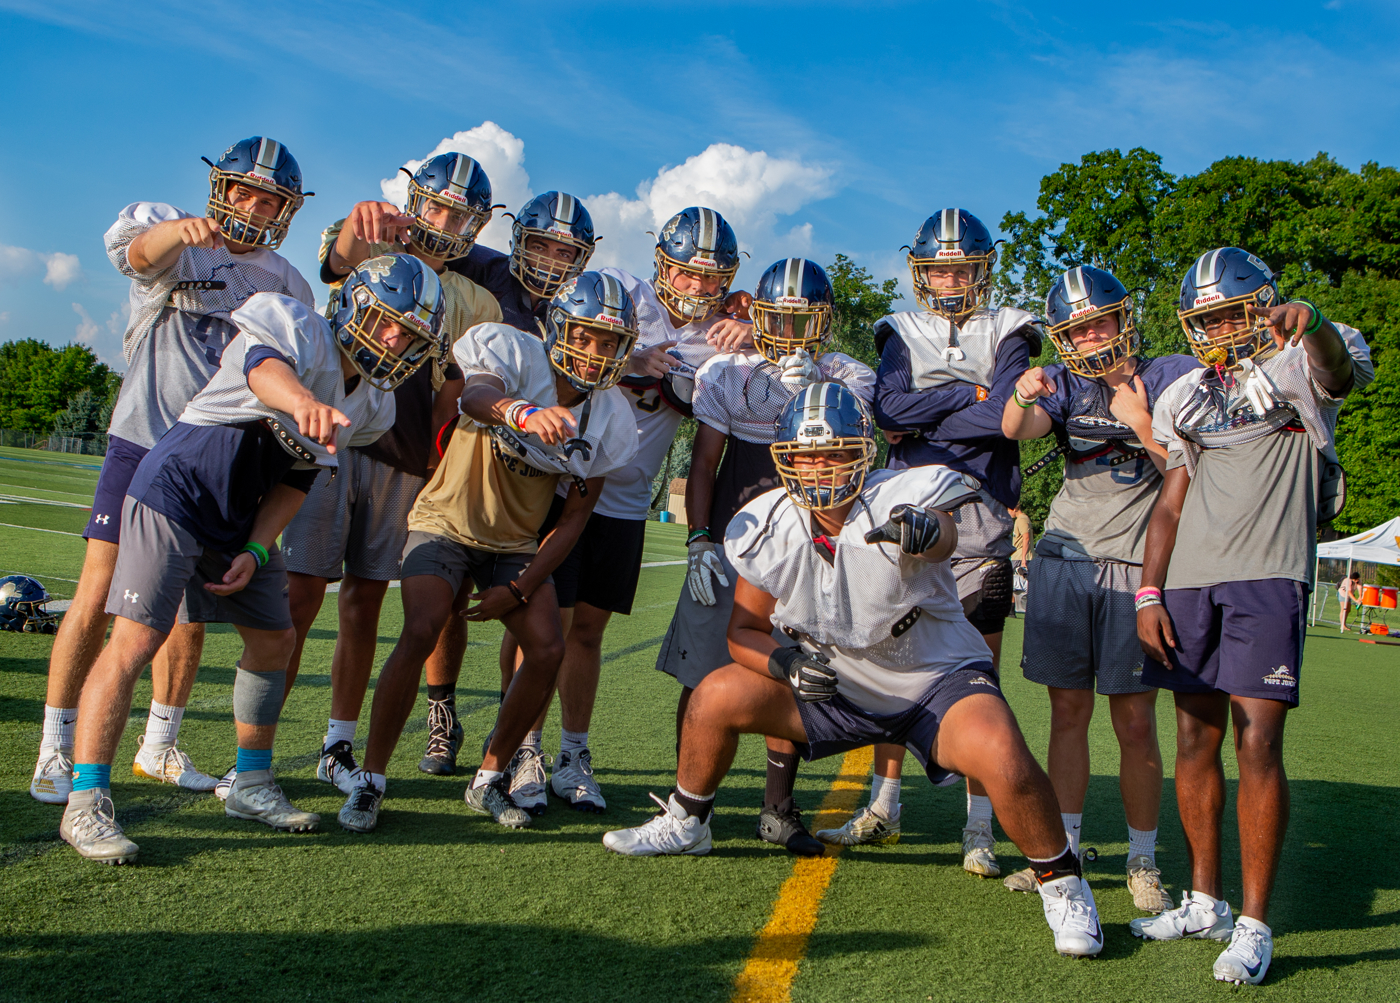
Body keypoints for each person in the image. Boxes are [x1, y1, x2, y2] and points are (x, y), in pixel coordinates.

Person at [605, 383, 1104, 959]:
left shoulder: (903, 495)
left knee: (1002, 754)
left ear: (864, 452)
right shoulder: (766, 524)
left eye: (836, 452)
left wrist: (926, 531)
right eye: (805, 455)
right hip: (837, 683)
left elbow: (940, 535)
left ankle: (1063, 881)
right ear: (782, 459)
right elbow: (742, 633)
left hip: (932, 676)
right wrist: (784, 661)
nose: (819, 467)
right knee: (715, 694)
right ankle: (688, 820)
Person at [59, 253, 440, 863]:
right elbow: (264, 370)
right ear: (352, 305)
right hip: (180, 488)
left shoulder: (375, 404)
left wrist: (259, 547)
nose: (394, 337)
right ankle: (86, 801)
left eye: (410, 333)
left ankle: (252, 783)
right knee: (134, 641)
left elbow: (298, 477)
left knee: (273, 640)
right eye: (386, 319)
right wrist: (301, 402)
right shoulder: (295, 323)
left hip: (245, 515)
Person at [31, 137, 314, 805]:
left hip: (210, 458)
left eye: (266, 197)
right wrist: (171, 233)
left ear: (284, 209)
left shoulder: (287, 282)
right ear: (219, 187)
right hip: (143, 437)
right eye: (241, 190)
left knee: (188, 612)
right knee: (100, 588)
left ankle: (160, 740)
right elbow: (133, 254)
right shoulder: (179, 239)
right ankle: (55, 745)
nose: (251, 204)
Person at [1132, 247, 1371, 985]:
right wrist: (1149, 591)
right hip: (1190, 581)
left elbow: (1339, 368)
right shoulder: (1184, 395)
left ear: (1264, 304)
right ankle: (1205, 898)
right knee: (1194, 737)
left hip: (1269, 574)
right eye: (1206, 318)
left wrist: (1316, 322)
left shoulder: (1303, 356)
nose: (1222, 328)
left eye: (1233, 311)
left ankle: (1256, 921)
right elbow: (1171, 498)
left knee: (1258, 740)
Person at [335, 271, 641, 834]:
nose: (596, 353)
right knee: (422, 627)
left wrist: (521, 587)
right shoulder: (514, 352)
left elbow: (574, 518)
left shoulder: (611, 417)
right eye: (586, 335)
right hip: (446, 522)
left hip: (516, 543)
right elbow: (475, 397)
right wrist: (520, 412)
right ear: (557, 329)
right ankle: (371, 780)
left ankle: (491, 775)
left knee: (547, 648)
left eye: (610, 342)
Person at [494, 207, 755, 815]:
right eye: (686, 274)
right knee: (540, 625)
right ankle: (519, 747)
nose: (697, 289)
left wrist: (751, 324)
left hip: (626, 500)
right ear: (661, 263)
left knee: (587, 630)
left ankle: (572, 754)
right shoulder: (621, 292)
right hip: (559, 482)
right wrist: (629, 358)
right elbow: (557, 342)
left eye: (712, 279)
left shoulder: (722, 328)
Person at [274, 152, 503, 797]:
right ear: (414, 198)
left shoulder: (479, 299)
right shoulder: (376, 248)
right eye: (435, 204)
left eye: (460, 213)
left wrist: (438, 461)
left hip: (407, 461)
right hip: (337, 442)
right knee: (298, 596)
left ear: (477, 224)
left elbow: (463, 388)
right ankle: (255, 748)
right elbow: (337, 260)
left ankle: (337, 743)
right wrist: (357, 227)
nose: (443, 220)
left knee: (364, 604)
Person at [834, 209, 1041, 876]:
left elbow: (1006, 418)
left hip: (980, 508)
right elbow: (889, 410)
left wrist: (941, 408)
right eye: (939, 269)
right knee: (892, 655)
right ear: (921, 273)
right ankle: (884, 803)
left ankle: (979, 826)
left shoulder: (1009, 325)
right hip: (909, 502)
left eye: (962, 268)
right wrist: (965, 393)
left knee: (978, 670)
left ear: (983, 270)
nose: (950, 280)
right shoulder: (902, 328)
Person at [997, 264, 1201, 912]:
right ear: (1065, 337)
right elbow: (1013, 429)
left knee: (1136, 721)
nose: (1092, 338)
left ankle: (1143, 858)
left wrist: (1140, 419)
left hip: (1132, 569)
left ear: (1123, 316)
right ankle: (1065, 850)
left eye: (1100, 322)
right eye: (1078, 329)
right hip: (1065, 561)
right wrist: (1025, 393)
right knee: (1067, 712)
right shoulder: (1064, 383)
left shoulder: (1168, 374)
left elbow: (1188, 467)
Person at [654, 258, 875, 856]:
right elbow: (704, 464)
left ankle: (777, 806)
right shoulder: (728, 371)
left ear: (824, 323)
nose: (792, 332)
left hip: (802, 550)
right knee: (702, 670)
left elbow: (853, 451)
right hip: (730, 538)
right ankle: (687, 802)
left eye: (805, 321)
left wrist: (812, 394)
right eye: (780, 319)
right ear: (758, 316)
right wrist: (699, 537)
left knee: (794, 673)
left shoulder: (844, 376)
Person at [417, 190, 599, 773]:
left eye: (564, 251)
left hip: (545, 476)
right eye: (539, 244)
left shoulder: (587, 304)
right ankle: (441, 716)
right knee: (443, 603)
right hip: (473, 456)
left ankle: (516, 742)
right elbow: (416, 245)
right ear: (517, 240)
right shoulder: (486, 269)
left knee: (537, 612)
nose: (549, 260)